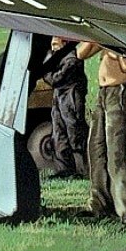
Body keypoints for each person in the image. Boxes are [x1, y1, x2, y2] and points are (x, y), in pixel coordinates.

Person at [80, 41, 126, 225]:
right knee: (96, 148)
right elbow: (81, 54)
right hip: (103, 94)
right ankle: (99, 203)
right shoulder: (108, 39)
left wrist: (114, 49)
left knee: (115, 154)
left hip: (119, 94)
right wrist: (94, 38)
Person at [41, 37, 89, 178]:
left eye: (56, 45)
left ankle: (82, 170)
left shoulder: (71, 60)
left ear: (65, 44)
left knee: (75, 133)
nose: (54, 48)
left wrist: (45, 69)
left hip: (71, 98)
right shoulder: (60, 59)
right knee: (59, 133)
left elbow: (56, 79)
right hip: (60, 98)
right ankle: (64, 169)